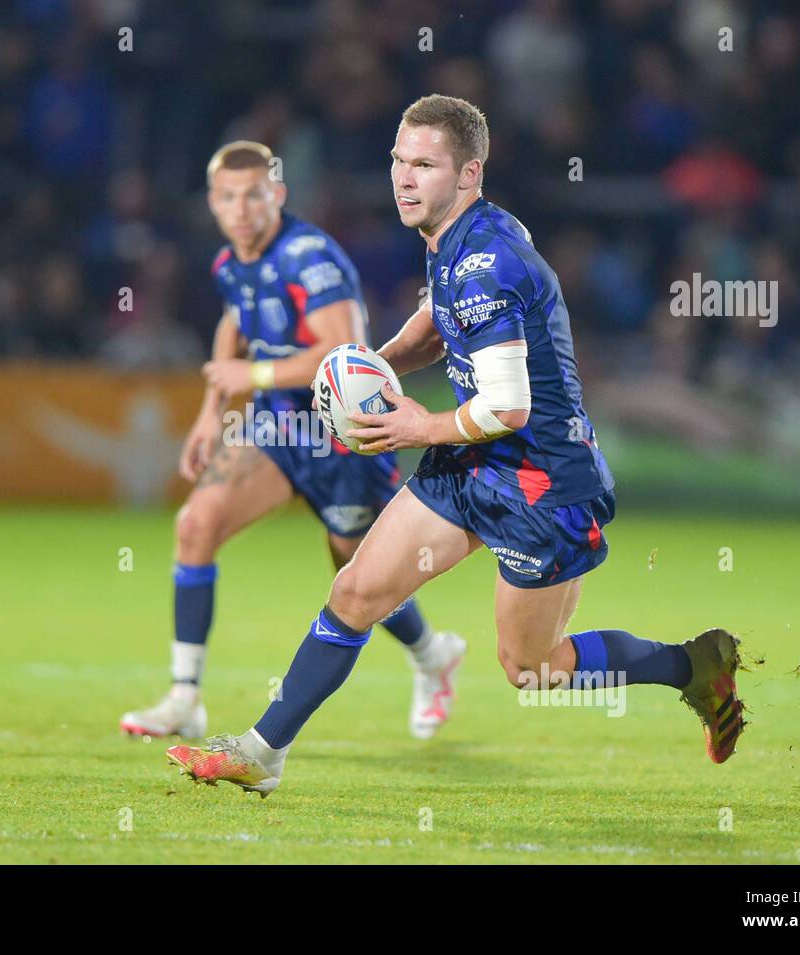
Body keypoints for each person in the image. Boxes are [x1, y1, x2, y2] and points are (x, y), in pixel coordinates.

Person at [166, 99, 744, 797]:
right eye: (398, 162)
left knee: (532, 667)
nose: (403, 180)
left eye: (424, 165)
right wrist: (365, 378)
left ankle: (694, 665)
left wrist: (417, 426)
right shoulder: (456, 237)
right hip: (471, 461)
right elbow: (434, 325)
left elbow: (507, 405)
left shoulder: (486, 265)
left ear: (470, 173)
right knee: (355, 590)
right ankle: (264, 751)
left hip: (541, 483)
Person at [120, 141, 464, 742]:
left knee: (356, 574)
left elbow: (344, 355)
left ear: (277, 194)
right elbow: (235, 322)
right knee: (195, 525)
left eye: (254, 194)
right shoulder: (231, 262)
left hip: (341, 436)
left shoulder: (308, 258)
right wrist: (210, 412)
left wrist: (249, 377)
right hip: (278, 426)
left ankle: (432, 655)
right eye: (228, 197)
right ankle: (184, 698)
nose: (242, 208)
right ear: (213, 203)